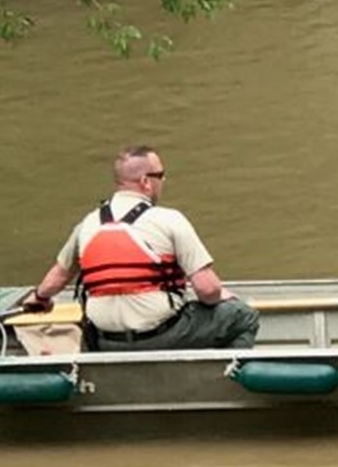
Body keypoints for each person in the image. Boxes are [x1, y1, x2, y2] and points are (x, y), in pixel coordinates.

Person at [23, 145, 260, 350]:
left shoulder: (87, 224)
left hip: (105, 343)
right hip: (163, 337)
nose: (163, 181)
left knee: (87, 326)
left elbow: (58, 276)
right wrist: (221, 298)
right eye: (161, 175)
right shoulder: (169, 219)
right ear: (146, 182)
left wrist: (39, 298)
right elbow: (208, 291)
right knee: (243, 317)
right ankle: (220, 382)